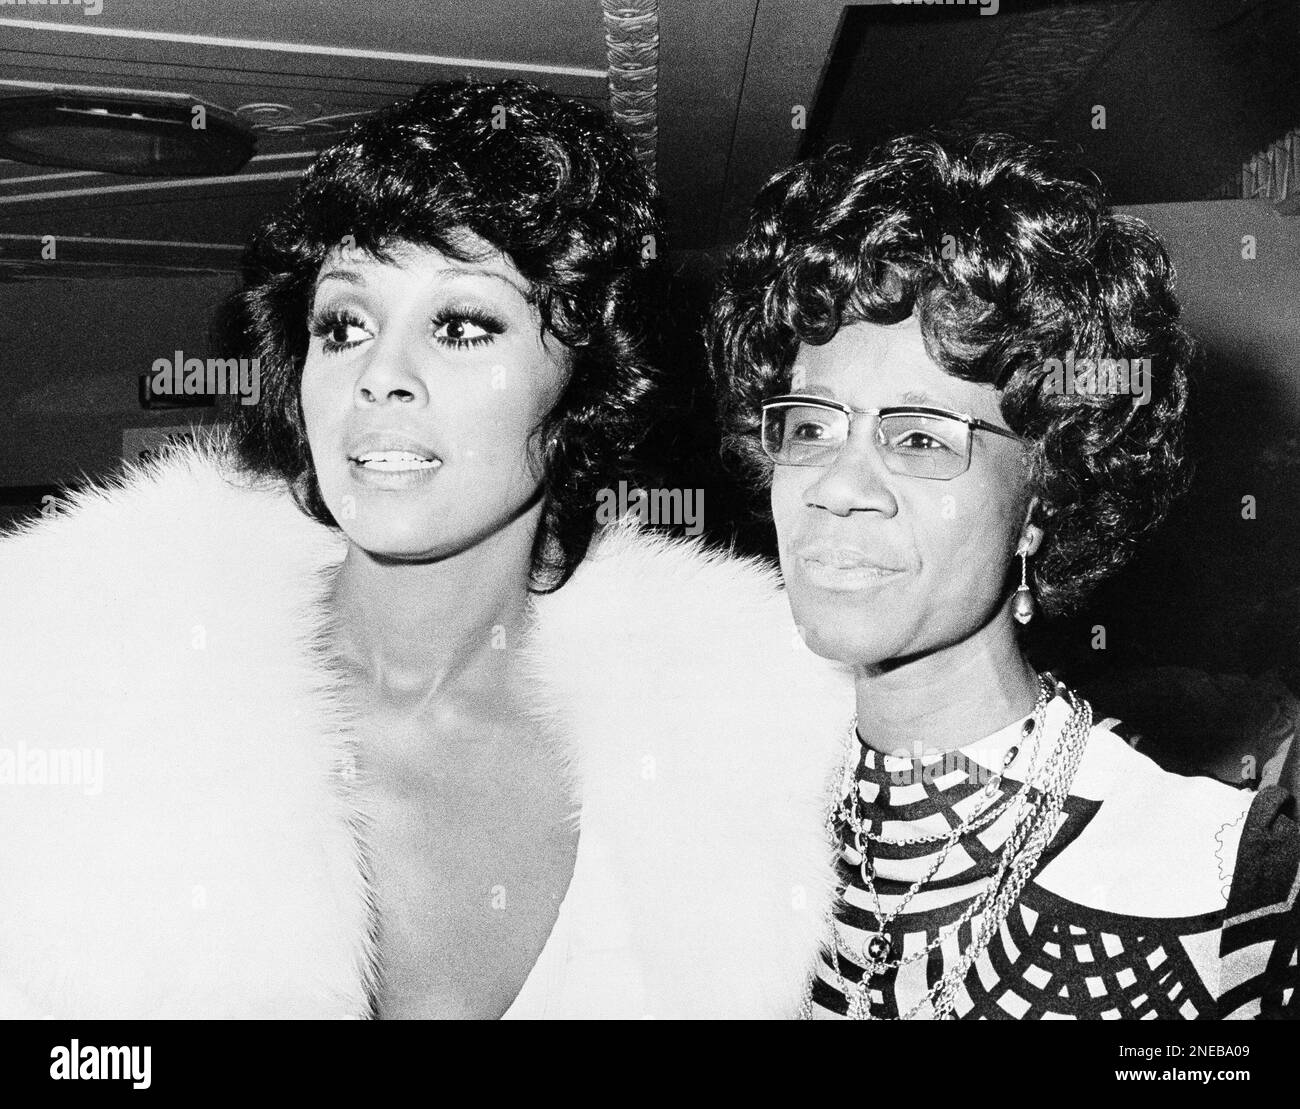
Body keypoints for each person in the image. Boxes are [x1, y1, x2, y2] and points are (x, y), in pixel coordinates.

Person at [0, 80, 846, 1019]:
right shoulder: (76, 695)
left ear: (587, 385)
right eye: (344, 326)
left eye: (461, 326)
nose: (381, 375)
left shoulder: (754, 740)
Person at [709, 133, 1300, 1019]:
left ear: (1044, 495)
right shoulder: (699, 810)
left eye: (918, 437)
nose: (837, 486)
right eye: (812, 427)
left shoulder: (1224, 888)